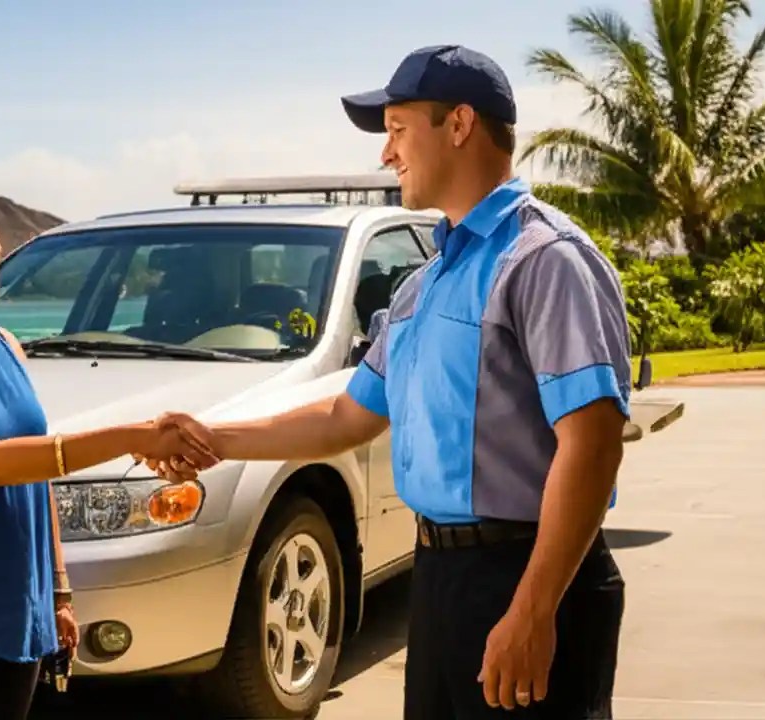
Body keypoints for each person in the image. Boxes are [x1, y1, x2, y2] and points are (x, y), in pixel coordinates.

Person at [147, 45, 633, 719]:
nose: (386, 153)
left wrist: (534, 608)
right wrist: (211, 439)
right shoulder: (422, 285)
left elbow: (593, 442)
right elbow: (346, 419)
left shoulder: (545, 260)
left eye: (398, 130)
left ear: (458, 124)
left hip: (529, 577)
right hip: (441, 580)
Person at [0, 172, 217, 720]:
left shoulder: (7, 346)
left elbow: (35, 470)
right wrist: (133, 436)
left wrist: (59, 593)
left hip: (14, 601)